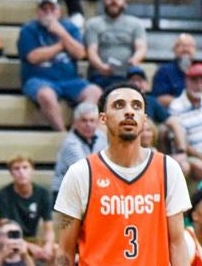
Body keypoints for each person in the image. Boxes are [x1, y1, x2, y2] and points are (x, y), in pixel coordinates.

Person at [54, 84, 191, 264]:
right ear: (103, 118)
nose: (129, 112)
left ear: (144, 119)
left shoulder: (168, 169)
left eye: (136, 106)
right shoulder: (81, 173)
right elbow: (65, 251)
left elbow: (177, 243)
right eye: (119, 105)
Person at [17, 0, 101, 131]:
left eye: (52, 9)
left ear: (59, 11)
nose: (48, 13)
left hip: (69, 80)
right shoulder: (28, 30)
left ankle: (75, 133)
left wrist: (61, 33)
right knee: (46, 95)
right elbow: (33, 57)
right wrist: (61, 45)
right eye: (44, 9)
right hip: (38, 79)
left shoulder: (69, 28)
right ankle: (61, 133)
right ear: (38, 12)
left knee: (95, 92)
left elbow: (80, 53)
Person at [0, 154, 55, 264]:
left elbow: (49, 228)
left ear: (32, 170)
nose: (21, 172)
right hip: (11, 240)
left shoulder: (43, 194)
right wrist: (27, 246)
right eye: (16, 169)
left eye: (25, 168)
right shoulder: (3, 195)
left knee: (57, 252)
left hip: (33, 239)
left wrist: (48, 246)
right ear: (11, 173)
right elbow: (5, 228)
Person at [83, 0, 147, 88]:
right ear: (104, 1)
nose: (114, 1)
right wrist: (101, 67)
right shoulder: (93, 24)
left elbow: (141, 48)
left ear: (124, 2)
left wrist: (135, 59)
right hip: (100, 75)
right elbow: (92, 52)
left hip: (127, 75)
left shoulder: (136, 24)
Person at [50, 103, 106, 194]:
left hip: (89, 189)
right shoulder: (70, 143)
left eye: (92, 121)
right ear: (75, 123)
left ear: (97, 123)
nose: (88, 124)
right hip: (65, 193)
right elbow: (84, 170)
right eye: (84, 120)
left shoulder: (101, 138)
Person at [152, 33, 197, 108]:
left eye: (189, 46)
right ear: (174, 50)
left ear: (195, 50)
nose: (186, 49)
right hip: (173, 114)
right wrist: (186, 104)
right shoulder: (164, 71)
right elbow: (159, 99)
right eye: (182, 46)